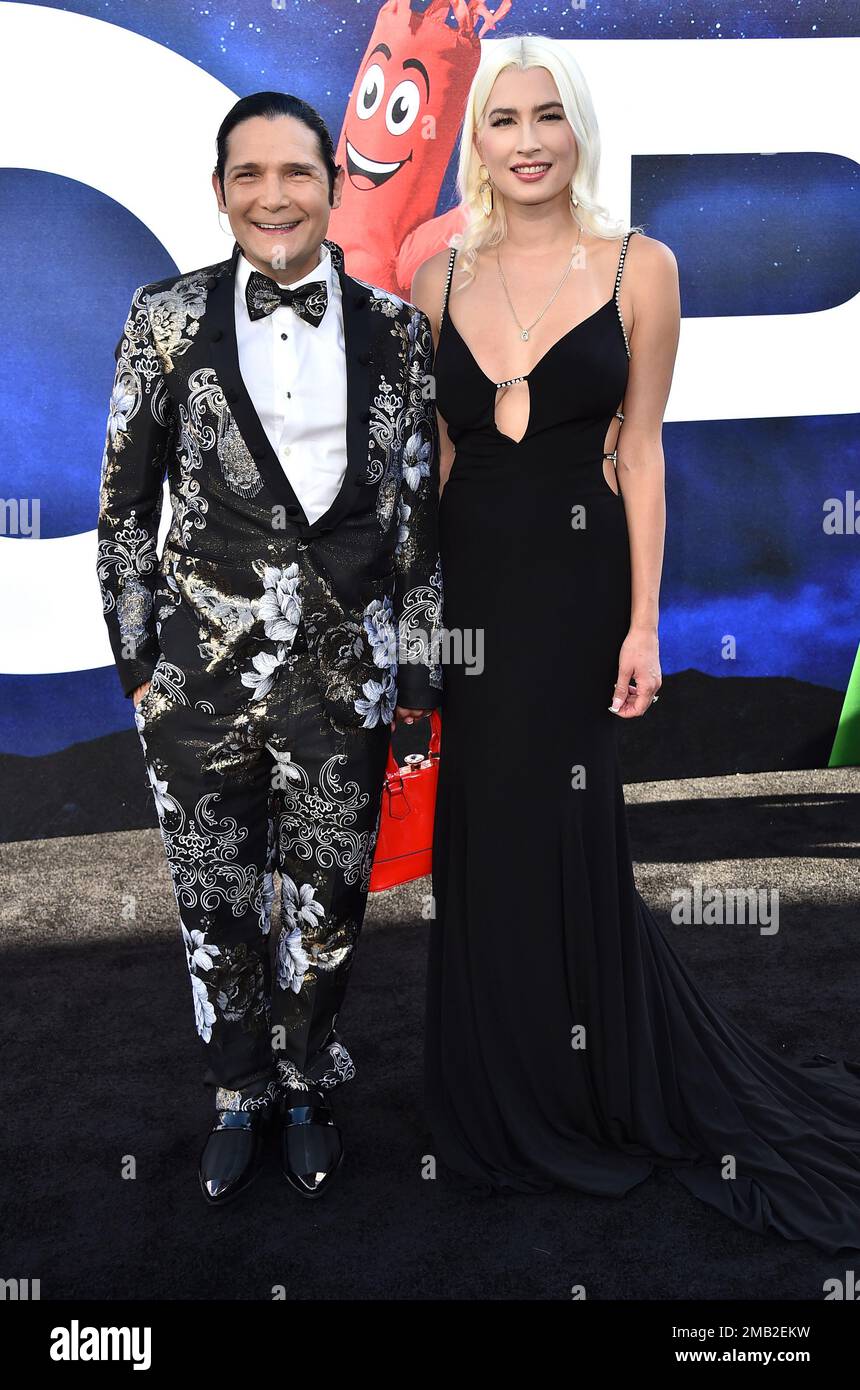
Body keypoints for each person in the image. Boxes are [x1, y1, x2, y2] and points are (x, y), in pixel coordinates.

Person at [411, 35, 860, 1255]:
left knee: (563, 829)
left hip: (574, 582)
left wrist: (644, 621)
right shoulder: (432, 271)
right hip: (472, 588)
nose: (527, 139)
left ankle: (584, 1083)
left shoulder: (639, 266)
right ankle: (498, 1090)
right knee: (480, 834)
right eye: (503, 120)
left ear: (577, 132)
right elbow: (439, 460)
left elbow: (641, 451)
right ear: (477, 141)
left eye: (548, 116)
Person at [97, 91, 443, 1205]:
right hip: (194, 683)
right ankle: (237, 1090)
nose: (272, 195)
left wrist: (419, 682)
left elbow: (418, 522)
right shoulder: (162, 317)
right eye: (248, 175)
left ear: (331, 185)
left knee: (329, 898)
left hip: (346, 679)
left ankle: (305, 1082)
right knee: (214, 902)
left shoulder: (397, 329)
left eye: (294, 172)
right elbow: (121, 513)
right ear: (219, 191)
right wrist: (140, 666)